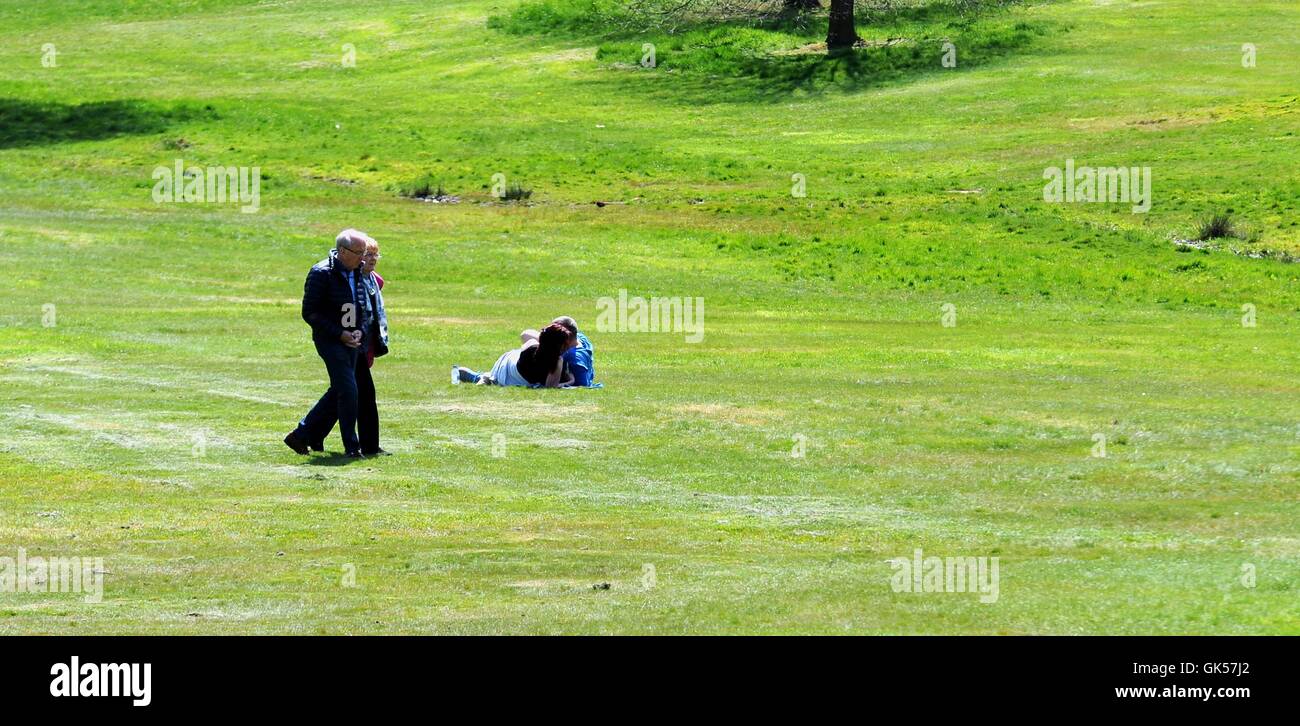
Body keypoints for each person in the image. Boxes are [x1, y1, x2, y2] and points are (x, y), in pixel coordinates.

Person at [284, 229, 383, 458]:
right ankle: (352, 447)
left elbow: (358, 305)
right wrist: (340, 334)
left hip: (353, 340)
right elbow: (310, 313)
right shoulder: (321, 273)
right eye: (359, 253)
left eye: (364, 252)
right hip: (330, 341)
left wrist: (358, 330)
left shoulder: (358, 272)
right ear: (342, 251)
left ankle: (304, 434)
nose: (362, 257)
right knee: (349, 391)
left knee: (342, 389)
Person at [454, 323, 573, 387]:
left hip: (505, 363)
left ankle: (483, 377)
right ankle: (480, 377)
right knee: (498, 381)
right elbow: (551, 387)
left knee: (495, 377)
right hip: (512, 379)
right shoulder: (557, 361)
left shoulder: (531, 344)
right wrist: (571, 380)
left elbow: (525, 334)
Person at [551, 316, 595, 387]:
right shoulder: (581, 338)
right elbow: (527, 333)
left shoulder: (575, 359)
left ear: (566, 336)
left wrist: (569, 382)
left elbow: (583, 386)